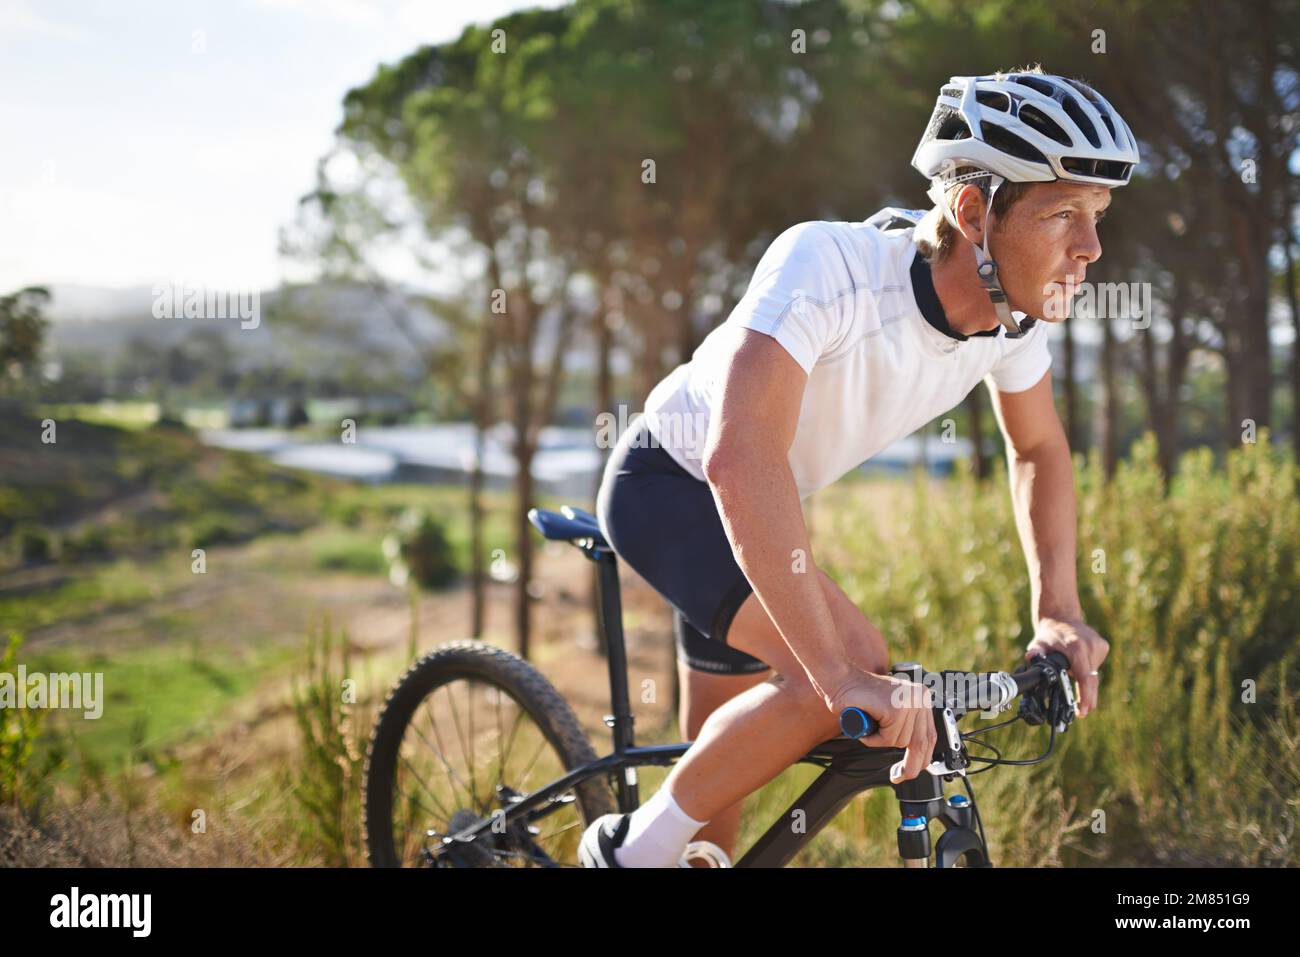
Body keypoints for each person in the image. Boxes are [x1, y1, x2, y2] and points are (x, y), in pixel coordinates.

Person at [580, 66, 1137, 868]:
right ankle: (620, 855)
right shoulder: (828, 266)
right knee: (841, 672)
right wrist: (839, 675)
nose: (1091, 246)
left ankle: (661, 840)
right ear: (975, 213)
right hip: (673, 487)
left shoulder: (1015, 322)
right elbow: (740, 453)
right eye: (1062, 214)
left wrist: (1058, 607)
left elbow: (1040, 448)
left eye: (1097, 214)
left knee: (712, 826)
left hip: (759, 517)